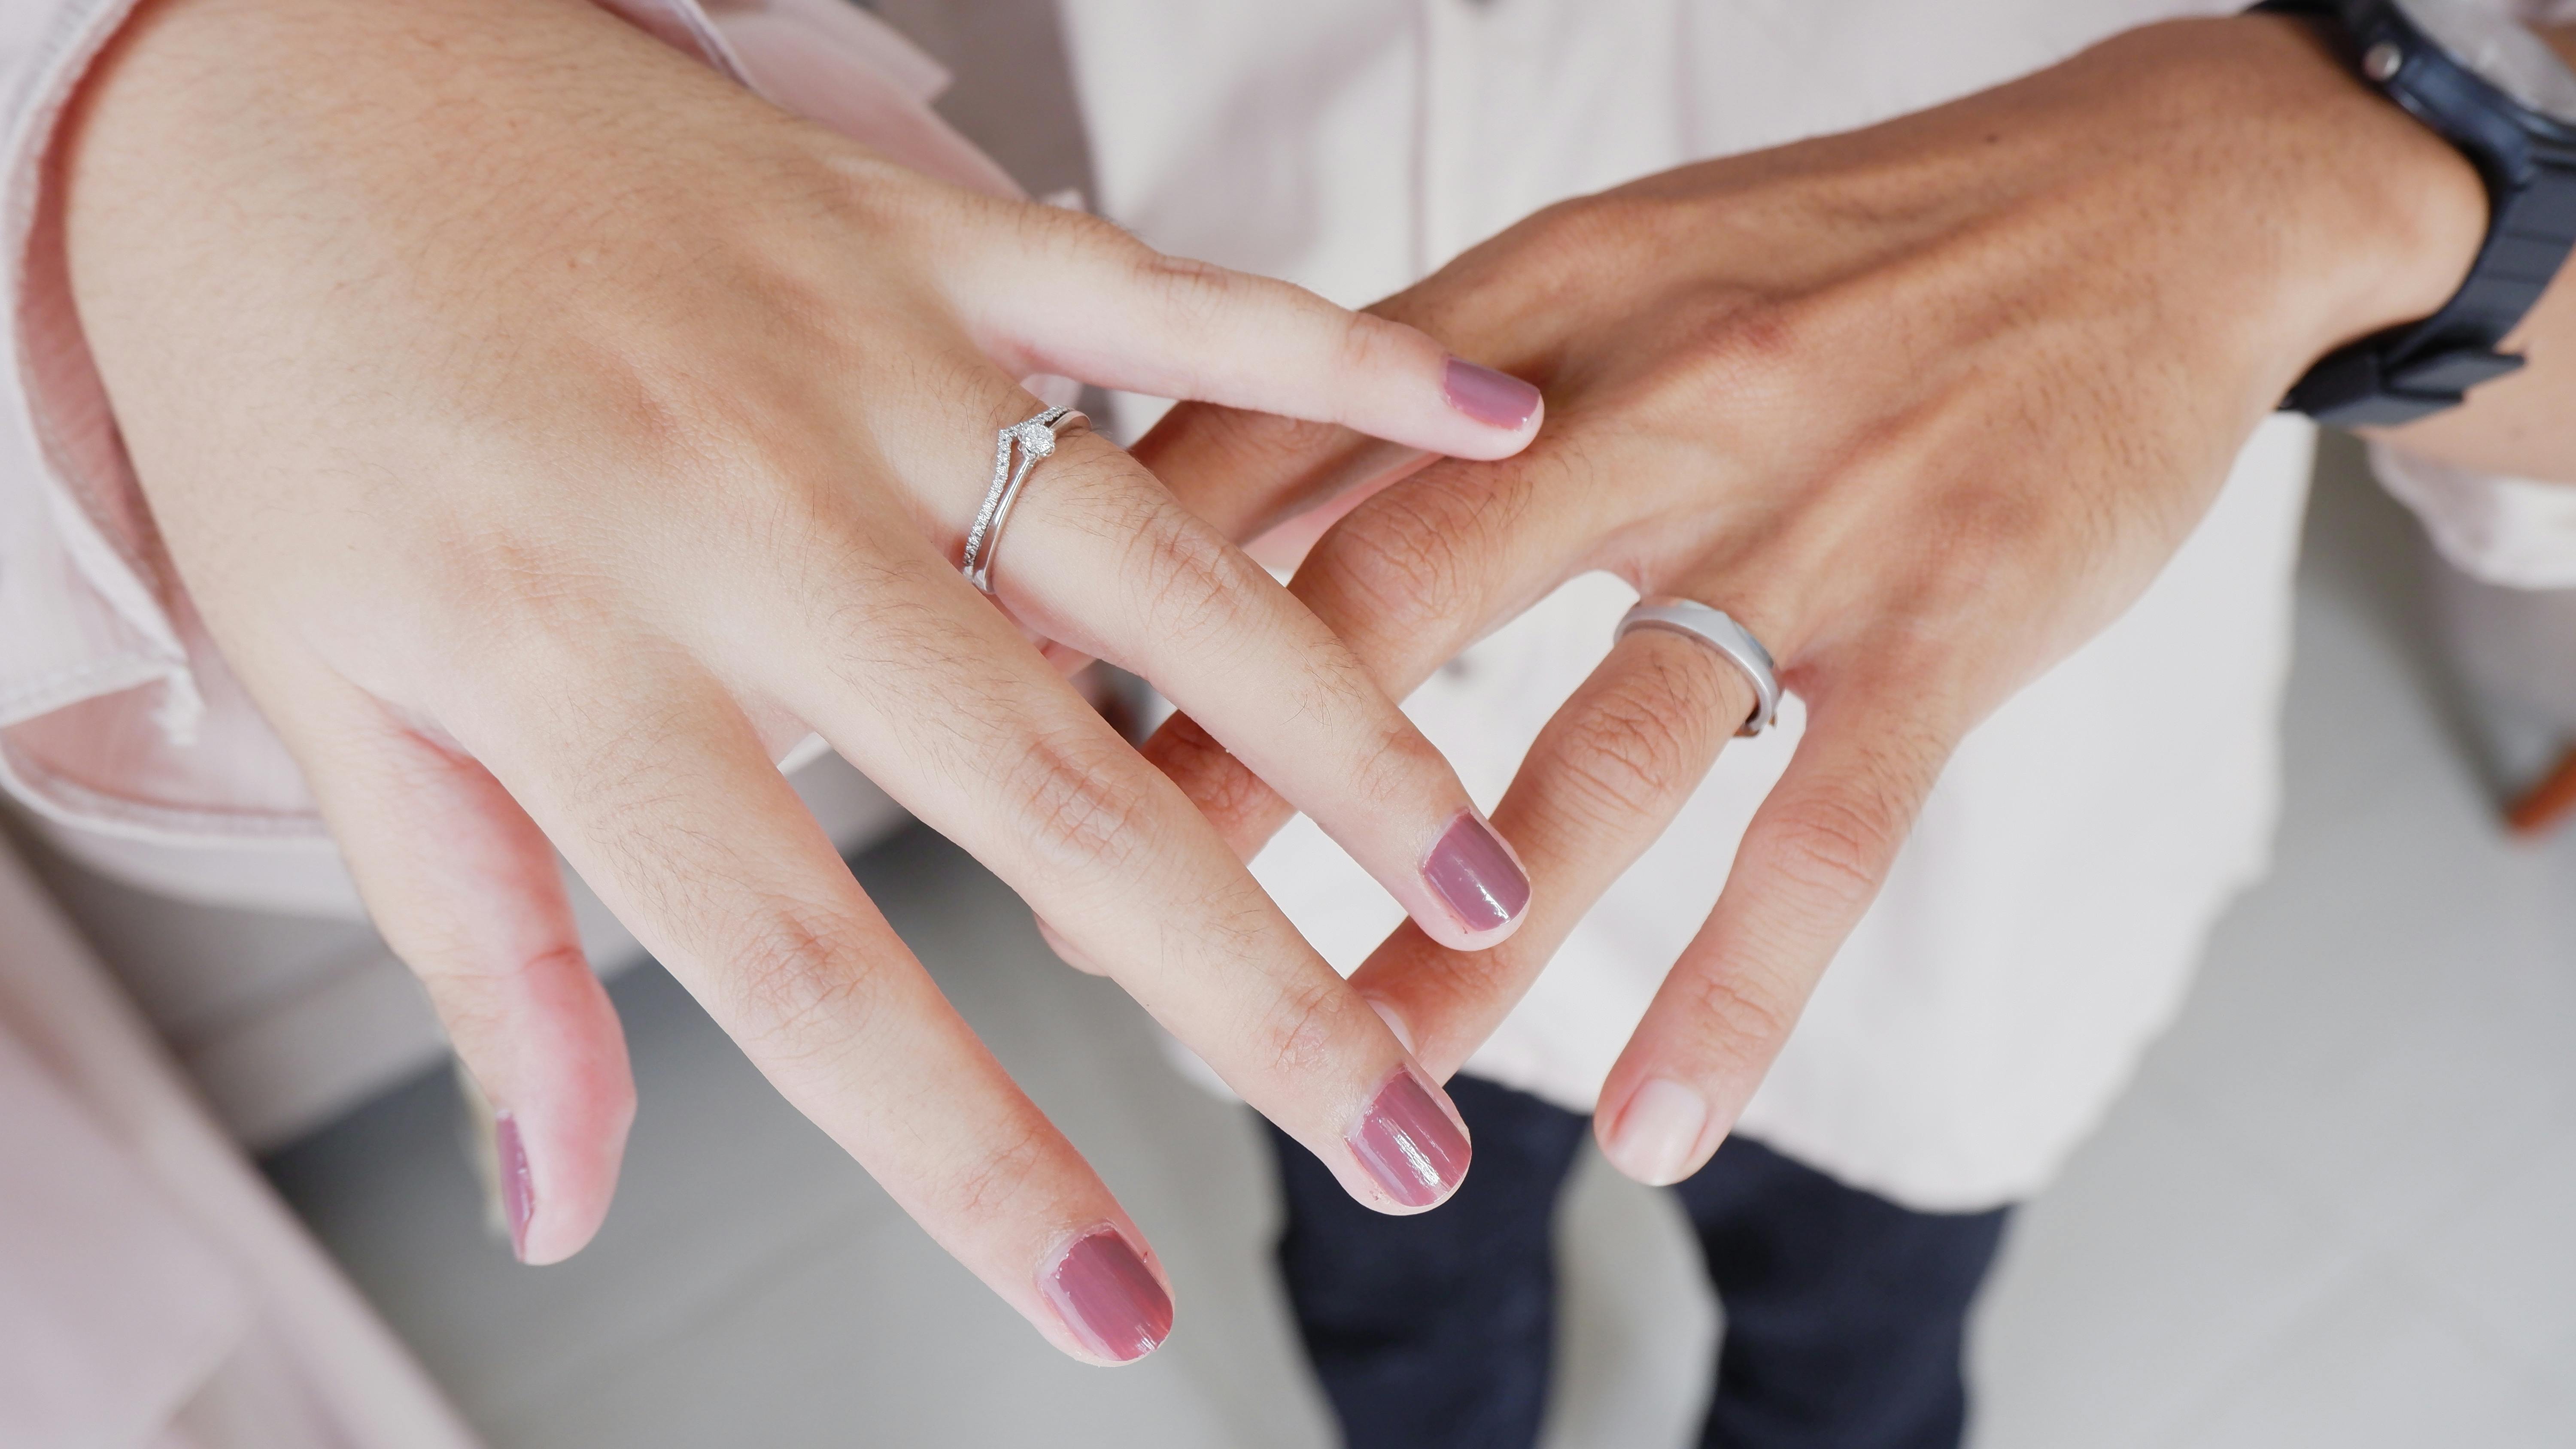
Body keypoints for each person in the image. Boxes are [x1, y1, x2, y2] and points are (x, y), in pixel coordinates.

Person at [1098, 1, 2576, 1443]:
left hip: (1922, 852)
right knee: (1397, 1325)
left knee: (1849, 1383)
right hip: (1296, 785)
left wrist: (2289, 168)